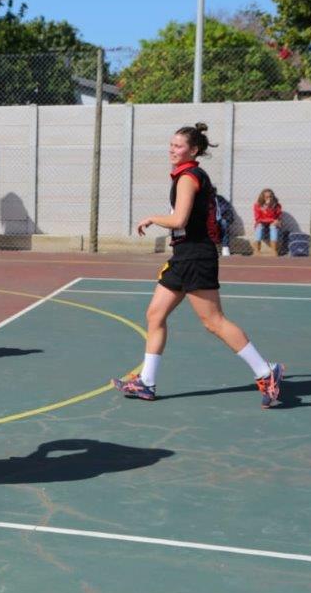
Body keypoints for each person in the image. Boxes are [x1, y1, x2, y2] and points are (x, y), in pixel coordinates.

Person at [108, 123, 284, 409]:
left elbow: (179, 220)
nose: (172, 150)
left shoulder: (189, 178)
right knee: (155, 314)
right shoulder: (185, 176)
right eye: (171, 145)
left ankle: (266, 372)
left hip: (196, 256)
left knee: (213, 321)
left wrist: (152, 218)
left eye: (178, 146)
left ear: (194, 150)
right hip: (183, 256)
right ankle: (146, 383)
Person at [253, 188, 282, 256]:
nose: (269, 198)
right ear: (262, 197)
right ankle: (257, 250)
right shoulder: (257, 205)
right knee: (259, 226)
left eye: (270, 197)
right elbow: (258, 219)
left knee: (273, 226)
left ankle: (273, 250)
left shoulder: (277, 205)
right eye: (266, 197)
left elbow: (278, 217)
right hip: (261, 223)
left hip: (272, 224)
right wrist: (272, 219)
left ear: (273, 196)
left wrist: (278, 221)